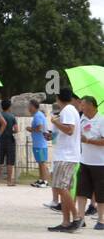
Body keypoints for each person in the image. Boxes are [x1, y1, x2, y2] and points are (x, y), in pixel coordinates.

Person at [47, 89, 82, 231]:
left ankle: (77, 217)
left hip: (65, 156)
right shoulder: (71, 110)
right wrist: (51, 134)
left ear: (58, 98)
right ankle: (66, 221)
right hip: (68, 155)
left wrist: (55, 122)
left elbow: (69, 130)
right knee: (64, 188)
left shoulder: (67, 110)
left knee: (61, 187)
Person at [76, 95, 104, 230]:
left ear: (91, 106)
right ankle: (80, 217)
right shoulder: (82, 119)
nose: (81, 107)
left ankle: (101, 219)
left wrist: (88, 140)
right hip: (84, 160)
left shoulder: (102, 120)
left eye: (83, 104)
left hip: (100, 163)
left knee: (100, 192)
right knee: (81, 191)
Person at [28, 99, 51, 188]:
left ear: (33, 106)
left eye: (29, 106)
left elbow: (40, 127)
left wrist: (31, 129)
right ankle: (41, 180)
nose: (28, 108)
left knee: (42, 162)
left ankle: (45, 181)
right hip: (38, 143)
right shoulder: (38, 115)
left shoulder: (37, 116)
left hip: (40, 143)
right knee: (40, 162)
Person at [0, 98, 19, 186]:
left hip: (0, 140)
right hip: (10, 140)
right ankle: (9, 181)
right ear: (9, 107)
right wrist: (11, 131)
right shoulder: (12, 117)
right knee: (10, 161)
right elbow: (17, 130)